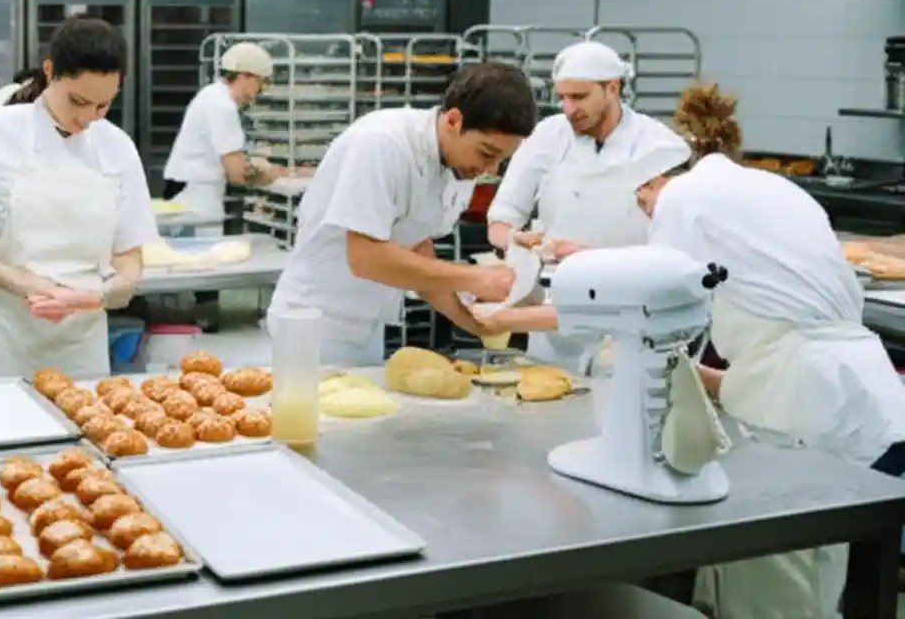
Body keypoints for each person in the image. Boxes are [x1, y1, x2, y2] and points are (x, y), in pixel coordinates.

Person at [474, 83, 905, 619]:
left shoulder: (680, 200)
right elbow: (760, 306)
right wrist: (704, 377)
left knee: (780, 574)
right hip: (855, 385)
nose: (648, 215)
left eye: (642, 205)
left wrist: (501, 316)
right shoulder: (756, 188)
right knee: (820, 561)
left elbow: (643, 298)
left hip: (805, 403)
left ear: (650, 185)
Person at [265, 62, 538, 366]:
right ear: (453, 120)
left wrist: (473, 322)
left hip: (367, 326)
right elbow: (365, 257)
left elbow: (418, 251)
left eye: (502, 159)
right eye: (487, 153)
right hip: (312, 324)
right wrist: (475, 278)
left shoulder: (457, 165)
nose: (490, 170)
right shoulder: (381, 144)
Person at [0, 17, 159, 379]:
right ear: (49, 71)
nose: (88, 118)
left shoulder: (117, 147)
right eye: (78, 101)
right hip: (5, 341)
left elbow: (129, 257)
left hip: (82, 350)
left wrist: (100, 296)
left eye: (103, 106)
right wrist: (31, 287)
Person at [485, 40, 690, 371]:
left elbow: (676, 250)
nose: (568, 109)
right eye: (562, 97)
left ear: (612, 88)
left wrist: (594, 259)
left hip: (630, 317)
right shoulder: (548, 137)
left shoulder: (660, 147)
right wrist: (514, 241)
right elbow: (501, 219)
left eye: (579, 97)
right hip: (555, 319)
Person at [162, 41, 286, 230]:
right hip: (195, 200)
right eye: (260, 84)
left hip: (187, 192)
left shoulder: (210, 95)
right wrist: (269, 175)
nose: (259, 93)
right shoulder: (222, 107)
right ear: (246, 76)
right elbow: (237, 173)